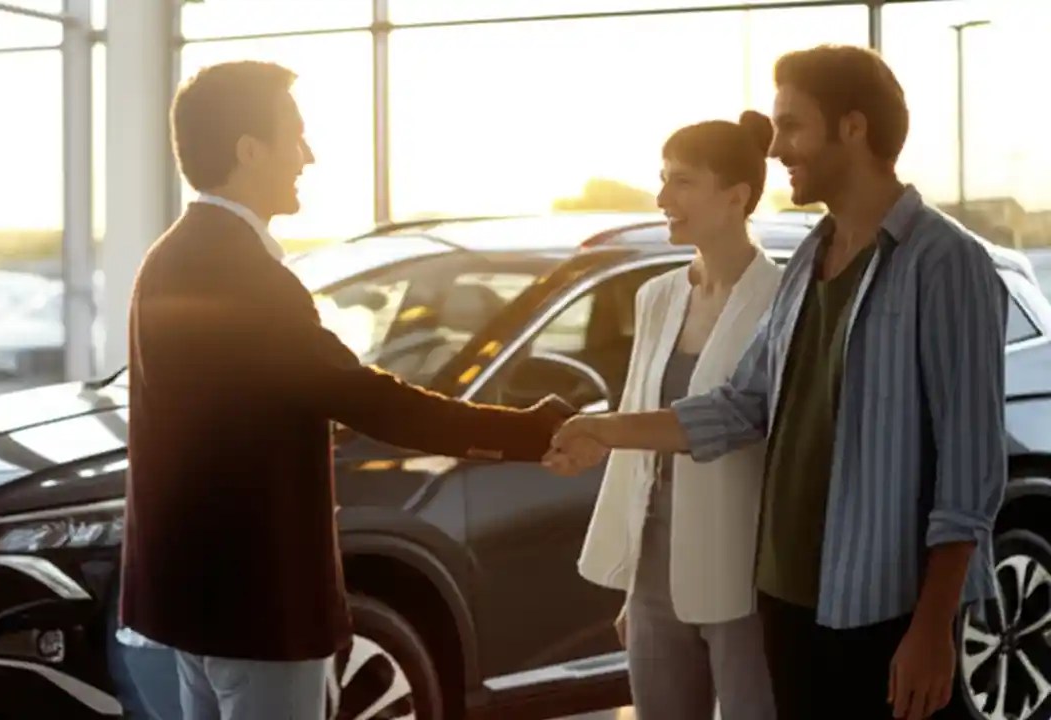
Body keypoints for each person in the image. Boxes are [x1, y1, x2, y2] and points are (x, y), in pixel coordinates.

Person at [547, 44, 1006, 720]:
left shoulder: (946, 264)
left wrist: (933, 632)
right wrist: (606, 430)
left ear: (853, 127)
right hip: (786, 601)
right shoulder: (808, 262)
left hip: (883, 611)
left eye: (792, 125)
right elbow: (743, 406)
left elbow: (969, 478)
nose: (775, 148)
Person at [117, 60, 574, 720]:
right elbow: (370, 400)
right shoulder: (246, 276)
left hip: (192, 604)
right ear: (249, 150)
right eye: (295, 136)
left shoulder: (171, 254)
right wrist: (532, 432)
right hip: (257, 610)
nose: (308, 155)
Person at [577, 111, 780, 720]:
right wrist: (636, 584)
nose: (663, 198)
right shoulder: (657, 296)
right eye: (663, 179)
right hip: (655, 571)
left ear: (736, 196)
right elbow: (639, 429)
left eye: (683, 182)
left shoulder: (785, 298)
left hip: (745, 575)